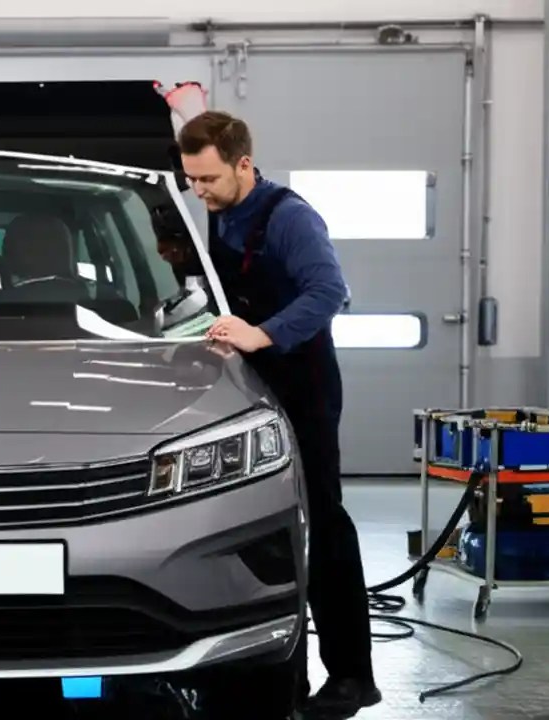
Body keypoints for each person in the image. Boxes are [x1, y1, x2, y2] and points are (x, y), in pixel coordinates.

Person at [174, 110, 381, 718]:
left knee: (322, 521)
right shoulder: (218, 213)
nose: (199, 191)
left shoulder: (290, 217)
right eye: (191, 179)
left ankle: (351, 676)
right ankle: (279, 674)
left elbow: (329, 292)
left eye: (208, 178)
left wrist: (262, 334)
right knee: (260, 525)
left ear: (244, 164)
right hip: (250, 383)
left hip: (303, 382)